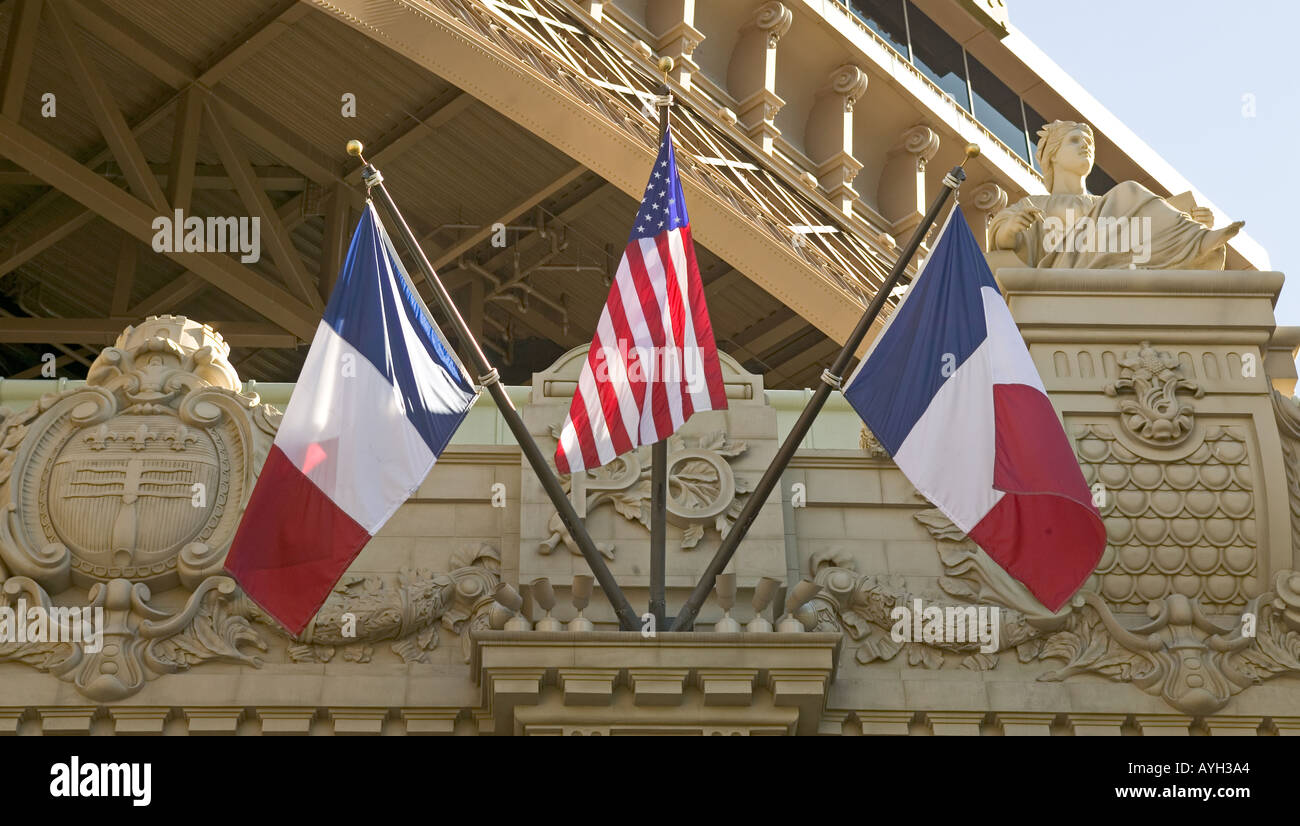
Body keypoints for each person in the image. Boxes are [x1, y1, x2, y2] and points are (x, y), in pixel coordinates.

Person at [989, 120, 1243, 269]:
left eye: (1089, 142)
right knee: (1130, 191)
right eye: (1075, 140)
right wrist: (1011, 227)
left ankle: (1193, 237)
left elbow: (1145, 236)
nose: (1086, 145)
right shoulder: (1035, 203)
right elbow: (1001, 239)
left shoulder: (1107, 204)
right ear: (1053, 153)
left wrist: (1192, 219)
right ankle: (1195, 241)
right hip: (1063, 270)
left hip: (1113, 267)